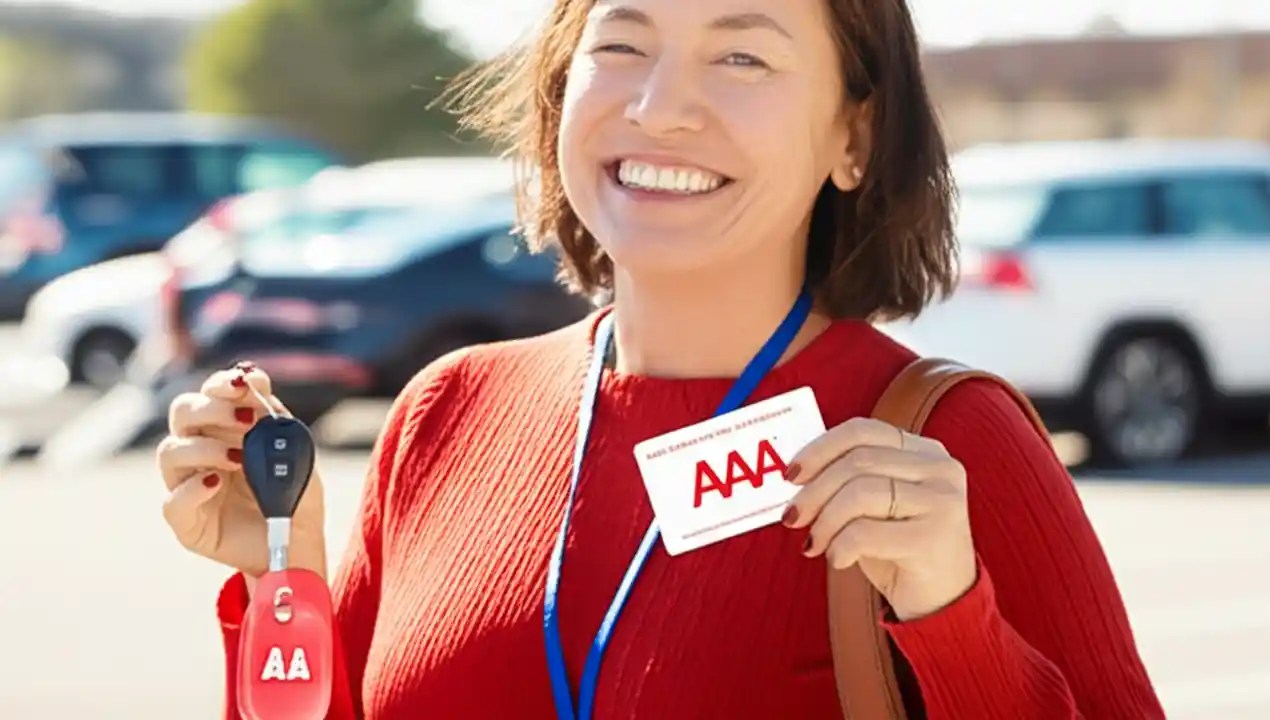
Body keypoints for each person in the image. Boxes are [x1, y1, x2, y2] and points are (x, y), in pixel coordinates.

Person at [155, 0, 1166, 718]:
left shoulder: (941, 439)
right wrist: (277, 573)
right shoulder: (445, 411)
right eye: (623, 43)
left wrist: (951, 617)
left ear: (852, 136)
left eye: (741, 58)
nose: (658, 107)